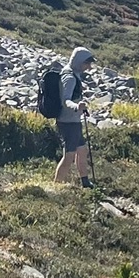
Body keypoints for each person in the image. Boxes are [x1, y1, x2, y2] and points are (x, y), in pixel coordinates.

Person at [53, 46, 95, 186]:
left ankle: (85, 182)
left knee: (81, 151)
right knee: (69, 156)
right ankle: (57, 185)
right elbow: (66, 100)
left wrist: (79, 109)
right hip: (67, 122)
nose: (88, 67)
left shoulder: (73, 73)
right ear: (79, 61)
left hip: (73, 120)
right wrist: (77, 107)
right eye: (87, 63)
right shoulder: (69, 77)